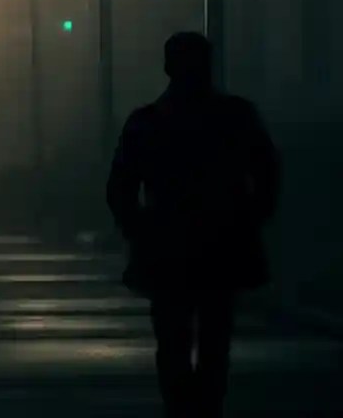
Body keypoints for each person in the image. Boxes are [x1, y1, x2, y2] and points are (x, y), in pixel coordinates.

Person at [107, 32, 280, 417]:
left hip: (168, 245)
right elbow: (267, 171)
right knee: (215, 338)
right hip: (222, 242)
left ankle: (183, 407)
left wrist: (137, 228)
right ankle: (205, 406)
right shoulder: (236, 117)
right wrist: (252, 217)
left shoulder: (147, 123)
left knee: (173, 340)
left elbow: (121, 186)